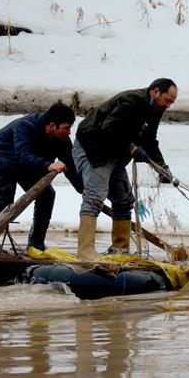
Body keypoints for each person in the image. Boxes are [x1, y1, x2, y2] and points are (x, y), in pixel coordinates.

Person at [72, 78, 177, 260]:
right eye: (168, 100)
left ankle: (120, 251)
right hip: (94, 148)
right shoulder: (131, 100)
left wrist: (162, 168)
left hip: (115, 152)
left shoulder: (156, 109)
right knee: (96, 196)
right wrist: (133, 149)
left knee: (123, 201)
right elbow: (109, 130)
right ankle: (85, 252)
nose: (168, 106)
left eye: (171, 103)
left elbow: (150, 140)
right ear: (155, 92)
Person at [0, 102, 84, 253]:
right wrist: (48, 165)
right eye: (66, 128)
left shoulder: (61, 140)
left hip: (23, 166)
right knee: (4, 196)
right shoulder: (25, 127)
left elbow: (70, 165)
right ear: (52, 126)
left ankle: (36, 244)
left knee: (47, 195)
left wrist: (82, 188)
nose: (69, 133)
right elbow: (23, 155)